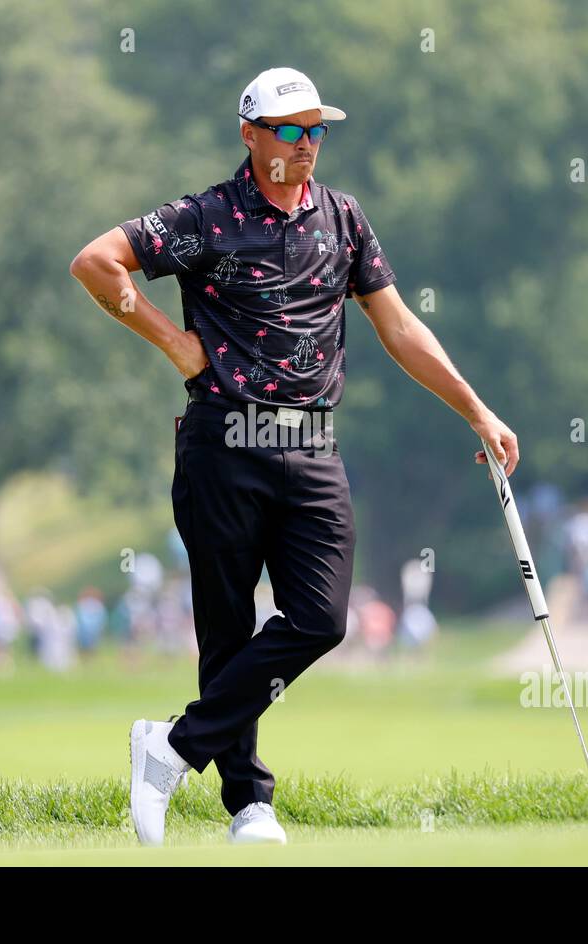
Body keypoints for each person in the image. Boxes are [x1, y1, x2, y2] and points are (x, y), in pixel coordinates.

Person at [70, 66, 520, 847]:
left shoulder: (343, 219)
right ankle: (249, 805)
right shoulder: (204, 216)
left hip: (310, 443)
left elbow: (400, 327)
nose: (308, 144)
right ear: (251, 135)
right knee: (226, 628)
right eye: (291, 130)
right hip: (223, 440)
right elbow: (95, 262)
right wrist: (178, 346)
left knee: (321, 618)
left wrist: (476, 410)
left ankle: (170, 747)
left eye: (317, 130)